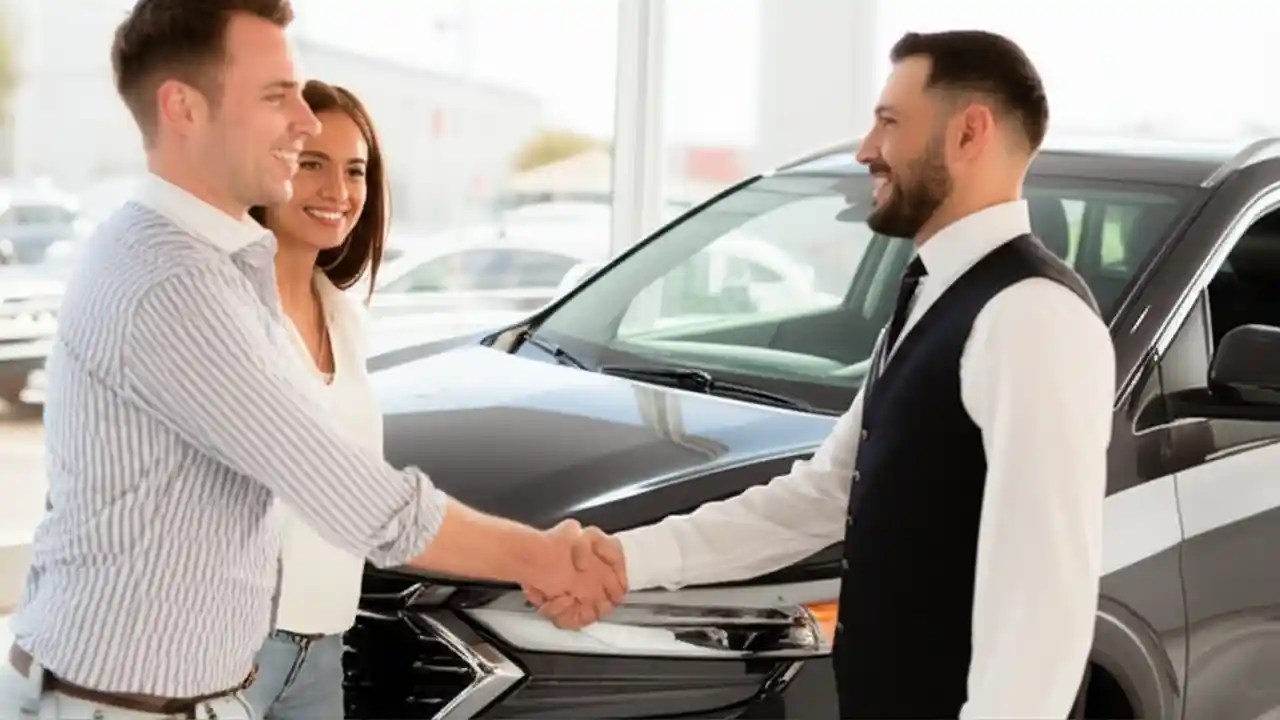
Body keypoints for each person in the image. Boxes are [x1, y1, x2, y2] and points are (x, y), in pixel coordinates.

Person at [2, 1, 622, 718]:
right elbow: (354, 498)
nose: (301, 120)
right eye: (276, 95)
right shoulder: (172, 283)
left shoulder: (220, 265)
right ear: (184, 108)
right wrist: (541, 560)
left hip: (194, 694)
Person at [533, 30, 1115, 719]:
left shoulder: (1031, 316)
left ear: (969, 133)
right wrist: (626, 560)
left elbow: (1043, 603)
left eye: (890, 122)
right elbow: (819, 496)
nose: (866, 148)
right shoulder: (932, 294)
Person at [234, 79, 386, 719]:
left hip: (321, 646)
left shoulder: (347, 319)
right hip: (231, 650)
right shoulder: (223, 310)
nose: (339, 192)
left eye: (355, 171)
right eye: (312, 164)